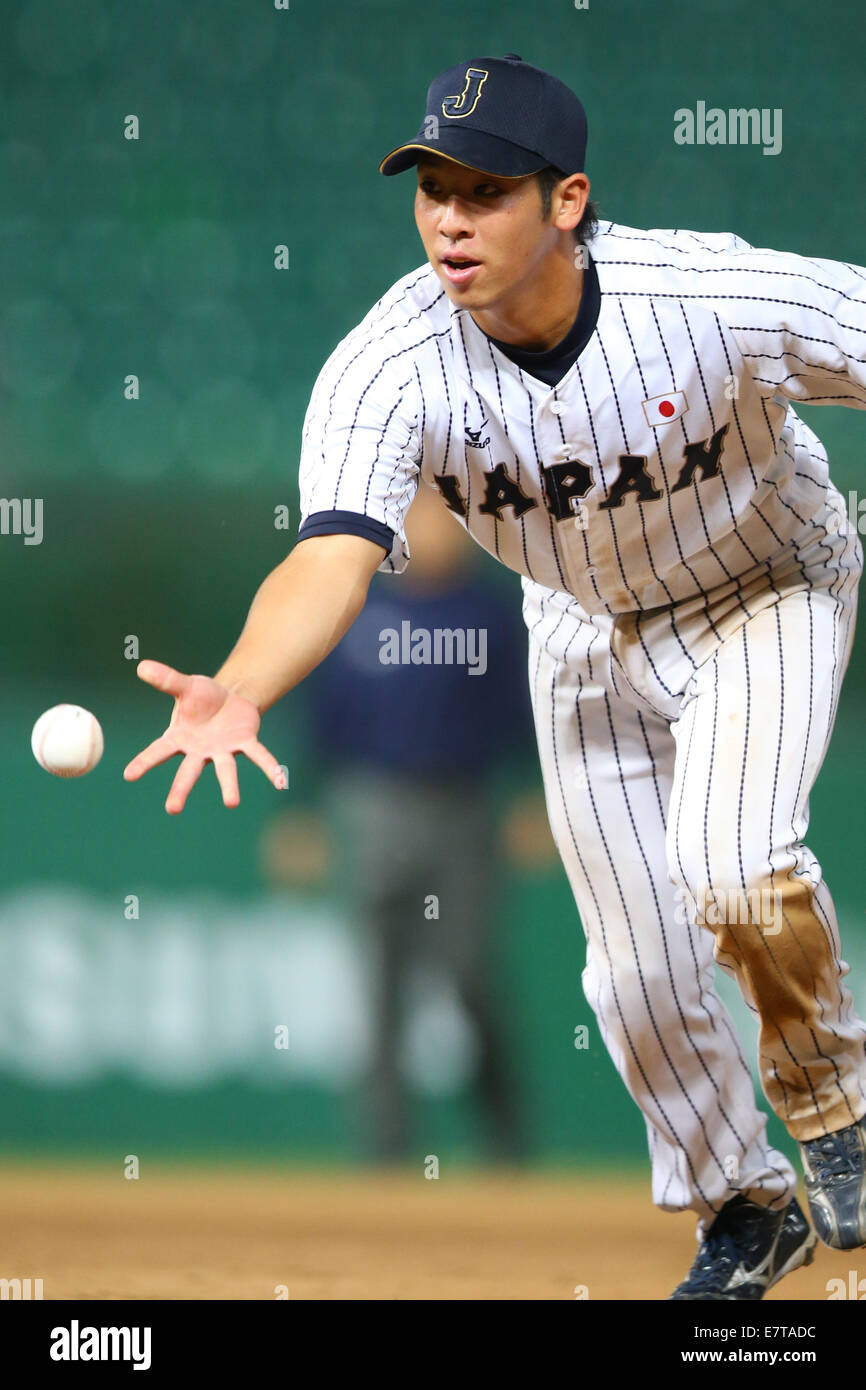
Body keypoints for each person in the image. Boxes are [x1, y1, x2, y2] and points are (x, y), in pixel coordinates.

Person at [124, 54, 866, 1300]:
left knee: (731, 863)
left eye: (483, 191)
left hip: (764, 584)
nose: (448, 222)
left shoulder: (707, 295)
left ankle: (832, 1105)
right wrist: (245, 683)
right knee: (627, 973)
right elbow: (333, 553)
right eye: (431, 190)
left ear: (564, 200)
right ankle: (741, 1205)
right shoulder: (388, 360)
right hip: (579, 625)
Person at [265, 487, 532, 1160]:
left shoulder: (492, 616)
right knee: (378, 990)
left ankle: (506, 1145)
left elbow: (526, 714)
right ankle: (385, 1160)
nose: (430, 532)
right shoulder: (357, 608)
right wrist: (298, 812)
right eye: (416, 517)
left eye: (441, 519)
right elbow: (321, 718)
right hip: (371, 805)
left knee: (470, 974)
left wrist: (532, 799)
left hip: (462, 808)